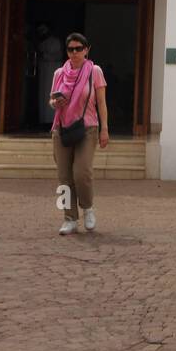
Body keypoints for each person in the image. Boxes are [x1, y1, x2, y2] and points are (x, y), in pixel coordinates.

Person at [49, 32, 109, 235]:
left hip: (87, 128)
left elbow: (101, 102)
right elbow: (51, 100)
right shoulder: (59, 74)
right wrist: (55, 103)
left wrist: (104, 129)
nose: (74, 53)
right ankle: (69, 219)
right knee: (64, 177)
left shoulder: (95, 71)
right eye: (70, 49)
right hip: (62, 129)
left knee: (82, 173)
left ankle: (88, 209)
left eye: (78, 49)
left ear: (86, 50)